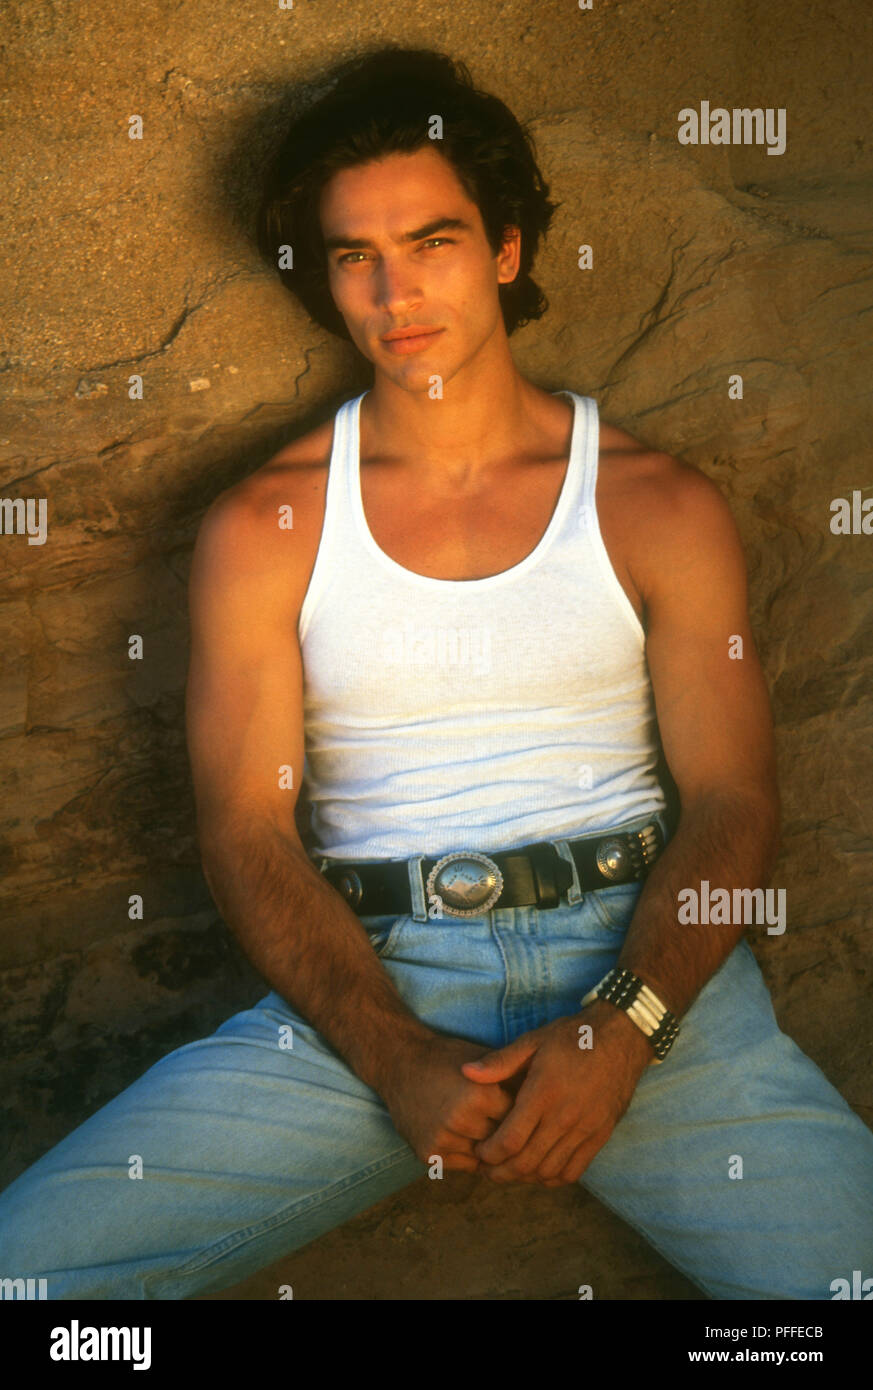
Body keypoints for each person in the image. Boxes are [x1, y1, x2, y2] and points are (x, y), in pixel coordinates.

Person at [1, 46, 871, 1302]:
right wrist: (395, 1053)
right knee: (31, 1282)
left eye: (434, 240)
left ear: (506, 249)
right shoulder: (266, 526)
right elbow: (246, 831)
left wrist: (620, 1027)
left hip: (640, 974)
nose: (397, 289)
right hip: (374, 982)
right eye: (357, 254)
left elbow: (735, 803)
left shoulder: (656, 503)